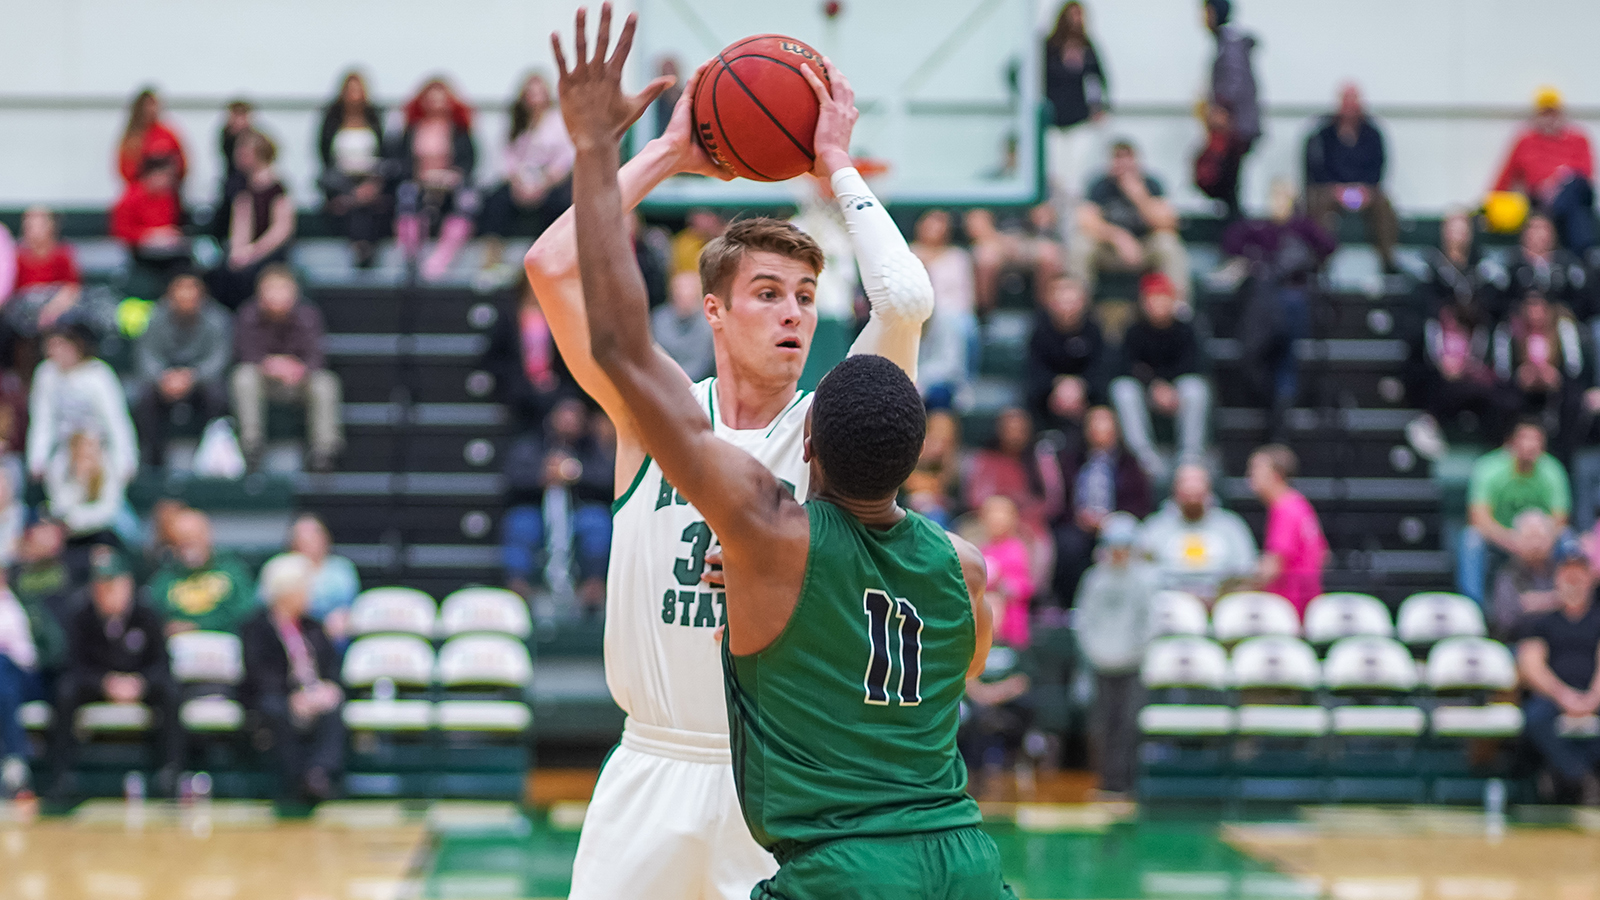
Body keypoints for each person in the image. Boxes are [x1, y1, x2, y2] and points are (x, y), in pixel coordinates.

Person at [553, 12, 1012, 895]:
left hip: (786, 775)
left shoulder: (832, 429)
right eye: (769, 293)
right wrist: (672, 152)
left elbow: (903, 299)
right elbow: (556, 269)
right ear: (714, 309)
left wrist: (597, 150)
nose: (796, 312)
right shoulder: (667, 418)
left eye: (808, 294)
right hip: (656, 759)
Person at [50, 548, 183, 800]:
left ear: (128, 585)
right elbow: (74, 664)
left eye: (114, 585)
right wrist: (105, 683)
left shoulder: (147, 615)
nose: (107, 592)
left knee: (171, 692)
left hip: (139, 683)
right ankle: (62, 777)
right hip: (98, 684)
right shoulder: (81, 616)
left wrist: (139, 684)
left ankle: (171, 772)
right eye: (101, 586)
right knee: (65, 690)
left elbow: (162, 664)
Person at [1223, 181, 1337, 441]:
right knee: (1256, 351)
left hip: (1292, 303)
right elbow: (1231, 243)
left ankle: (1280, 411)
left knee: (1285, 349)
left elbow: (1328, 245)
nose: (1279, 201)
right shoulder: (1259, 227)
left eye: (1285, 195)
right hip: (1262, 306)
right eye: (1275, 195)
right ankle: (1274, 400)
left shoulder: (1302, 227)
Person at [1405, 210, 1518, 459]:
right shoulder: (1430, 269)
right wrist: (1444, 358)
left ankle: (1501, 447)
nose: (1458, 234)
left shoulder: (1484, 271)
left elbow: (1492, 312)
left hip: (1476, 353)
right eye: (1453, 228)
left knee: (1502, 394)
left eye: (1463, 228)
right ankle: (1429, 420)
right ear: (1444, 233)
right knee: (1440, 379)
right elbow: (1424, 317)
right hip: (1438, 356)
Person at [240, 552, 345, 802]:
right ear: (285, 592)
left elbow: (331, 666)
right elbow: (256, 673)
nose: (309, 594)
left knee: (333, 706)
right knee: (278, 710)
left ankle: (318, 773)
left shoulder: (313, 626)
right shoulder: (256, 628)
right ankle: (296, 778)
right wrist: (294, 696)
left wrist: (327, 688)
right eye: (304, 588)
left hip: (311, 693)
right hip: (273, 695)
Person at [500, 396, 614, 611]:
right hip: (537, 510)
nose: (569, 421)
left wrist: (577, 474)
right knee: (520, 524)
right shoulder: (532, 444)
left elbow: (608, 480)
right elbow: (512, 479)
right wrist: (541, 476)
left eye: (575, 415)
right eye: (564, 414)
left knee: (597, 522)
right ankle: (518, 591)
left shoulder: (591, 447)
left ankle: (593, 590)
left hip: (578, 510)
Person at [1073, 511, 1157, 798]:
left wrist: (1136, 651)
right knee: (1102, 725)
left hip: (1132, 663)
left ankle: (1126, 784)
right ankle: (1105, 782)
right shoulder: (1094, 579)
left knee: (1128, 725)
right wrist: (1095, 652)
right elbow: (1084, 620)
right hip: (1100, 662)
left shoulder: (1145, 580)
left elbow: (1150, 621)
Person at [230, 266, 344, 472]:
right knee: (243, 376)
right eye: (271, 289)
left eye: (283, 289)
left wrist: (297, 369)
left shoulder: (309, 315)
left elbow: (317, 357)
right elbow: (244, 354)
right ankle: (251, 447)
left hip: (298, 382)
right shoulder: (247, 314)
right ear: (260, 293)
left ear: (294, 293)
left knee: (325, 382)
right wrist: (270, 365)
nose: (277, 295)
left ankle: (324, 452)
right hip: (264, 382)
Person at [1515, 541, 1600, 805]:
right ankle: (1580, 777)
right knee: (1534, 718)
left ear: (1590, 579)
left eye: (1579, 572)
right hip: (1552, 698)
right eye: (1566, 572)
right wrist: (1564, 697)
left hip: (1593, 696)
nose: (1573, 579)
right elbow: (1531, 665)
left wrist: (1591, 699)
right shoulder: (1540, 622)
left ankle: (1567, 776)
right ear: (1557, 578)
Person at [1044, 405, 1152, 608]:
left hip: (1117, 523)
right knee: (1068, 545)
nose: (1101, 430)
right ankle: (1070, 605)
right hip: (1079, 524)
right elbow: (1060, 499)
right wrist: (1081, 517)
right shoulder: (1072, 460)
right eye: (1095, 424)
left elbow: (1140, 504)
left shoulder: (1130, 464)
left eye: (1106, 424)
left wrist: (1110, 519)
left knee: (1121, 536)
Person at [1459, 420, 1572, 608]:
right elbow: (1479, 519)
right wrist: (1514, 541)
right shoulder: (1489, 468)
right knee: (1471, 539)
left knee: (1569, 540)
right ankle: (1474, 609)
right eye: (1524, 439)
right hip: (1501, 539)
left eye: (1535, 440)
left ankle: (1572, 607)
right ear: (1510, 443)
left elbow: (1560, 519)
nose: (1530, 445)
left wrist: (1539, 541)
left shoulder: (1553, 470)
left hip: (1542, 540)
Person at [1110, 272, 1208, 480]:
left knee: (1195, 389)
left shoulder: (1186, 329)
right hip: (1147, 393)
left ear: (1172, 300)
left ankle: (1190, 458)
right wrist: (1153, 385)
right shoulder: (1133, 331)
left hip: (1176, 394)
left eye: (1162, 298)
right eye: (1151, 299)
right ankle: (1143, 458)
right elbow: (1125, 366)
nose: (1157, 304)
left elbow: (1194, 365)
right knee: (1123, 390)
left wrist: (1168, 387)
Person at [132, 270, 232, 468]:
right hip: (164, 381)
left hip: (200, 382)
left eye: (191, 289)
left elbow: (219, 358)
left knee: (217, 395)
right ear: (169, 294)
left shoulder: (217, 318)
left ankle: (210, 457)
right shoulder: (155, 316)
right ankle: (152, 460)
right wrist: (163, 377)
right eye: (181, 289)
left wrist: (192, 377)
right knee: (144, 397)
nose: (186, 295)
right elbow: (146, 355)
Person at [1071, 140, 1190, 303]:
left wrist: (1139, 197)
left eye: (1128, 157)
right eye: (1117, 158)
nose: (1123, 164)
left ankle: (1178, 306)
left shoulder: (1152, 184)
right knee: (1081, 244)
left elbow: (1168, 223)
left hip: (1145, 248)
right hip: (1110, 251)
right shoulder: (1099, 185)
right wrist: (1118, 237)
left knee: (1168, 243)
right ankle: (1076, 305)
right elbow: (1085, 221)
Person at [480, 72, 576, 270]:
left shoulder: (559, 121)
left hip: (550, 180)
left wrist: (545, 182)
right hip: (521, 180)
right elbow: (507, 157)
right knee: (495, 200)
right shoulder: (517, 123)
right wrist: (517, 181)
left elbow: (565, 158)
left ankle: (553, 258)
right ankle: (492, 257)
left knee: (562, 202)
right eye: (530, 93)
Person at [26, 319, 138, 485]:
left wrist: (126, 461)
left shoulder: (99, 374)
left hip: (98, 448)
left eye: (61, 345)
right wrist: (37, 459)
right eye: (51, 346)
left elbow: (116, 420)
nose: (55, 352)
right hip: (63, 449)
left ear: (77, 345)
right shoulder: (46, 374)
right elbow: (42, 419)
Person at [1304, 84, 1399, 273]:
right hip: (1331, 190)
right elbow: (1315, 168)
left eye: (1354, 100)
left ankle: (1388, 261)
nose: (1350, 106)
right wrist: (1335, 189)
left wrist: (1366, 189)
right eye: (1346, 100)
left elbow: (1379, 166)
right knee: (1318, 204)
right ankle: (1319, 263)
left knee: (1385, 205)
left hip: (1365, 191)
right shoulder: (1323, 134)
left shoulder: (1372, 134)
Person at [1491, 86, 1596, 254]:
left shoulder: (1579, 139)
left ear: (1562, 115)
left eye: (1553, 113)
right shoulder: (1525, 141)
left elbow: (1586, 175)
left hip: (1572, 195)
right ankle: (1586, 255)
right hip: (1541, 202)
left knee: (1573, 189)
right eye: (1544, 114)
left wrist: (1558, 182)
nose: (1549, 119)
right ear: (1536, 116)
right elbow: (1504, 178)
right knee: (1577, 215)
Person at [393, 78, 480, 280]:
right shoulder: (413, 130)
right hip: (419, 184)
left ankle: (441, 259)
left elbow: (469, 162)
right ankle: (411, 257)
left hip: (451, 185)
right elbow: (402, 162)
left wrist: (452, 176)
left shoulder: (459, 131)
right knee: (406, 195)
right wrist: (421, 177)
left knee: (468, 200)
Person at [1137, 462, 1258, 604]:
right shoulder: (1155, 528)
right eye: (1187, 495)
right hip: (1168, 603)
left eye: (1197, 495)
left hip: (1222, 603)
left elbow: (1246, 570)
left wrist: (1219, 594)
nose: (1192, 500)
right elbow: (1141, 571)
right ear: (1175, 492)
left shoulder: (1231, 527)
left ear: (1209, 492)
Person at [1492, 291, 1589, 459]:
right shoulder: (1510, 329)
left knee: (1573, 402)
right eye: (1530, 307)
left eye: (1539, 307)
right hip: (1522, 387)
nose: (1534, 313)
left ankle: (1564, 455)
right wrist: (1520, 376)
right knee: (1504, 401)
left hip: (1556, 386)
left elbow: (1574, 368)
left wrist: (1555, 377)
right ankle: (1510, 450)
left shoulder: (1563, 328)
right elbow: (1502, 371)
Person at [210, 130, 296, 309]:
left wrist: (253, 252)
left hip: (270, 251)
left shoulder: (278, 187)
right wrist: (238, 251)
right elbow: (240, 223)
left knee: (250, 276)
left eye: (243, 153)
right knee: (222, 273)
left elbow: (281, 231)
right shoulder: (241, 185)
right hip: (248, 250)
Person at [317, 71, 389, 268]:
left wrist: (372, 185)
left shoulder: (375, 117)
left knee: (367, 206)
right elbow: (324, 157)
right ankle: (361, 248)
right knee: (352, 205)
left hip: (369, 180)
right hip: (341, 182)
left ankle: (362, 248)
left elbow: (384, 153)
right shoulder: (331, 119)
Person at [481, 277, 573, 431]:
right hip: (519, 393)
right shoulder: (509, 317)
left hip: (553, 390)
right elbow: (494, 358)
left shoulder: (559, 314)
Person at [1247, 444, 1328, 617]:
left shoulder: (1284, 509)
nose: (1250, 475)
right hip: (1305, 606)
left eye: (1257, 469)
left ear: (1276, 475)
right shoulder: (1300, 504)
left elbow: (1273, 567)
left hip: (1287, 610)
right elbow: (1323, 555)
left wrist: (1238, 587)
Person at [1042, 1, 1110, 206]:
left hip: (1079, 119)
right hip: (1053, 120)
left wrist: (1099, 107)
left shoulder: (1087, 47)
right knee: (1055, 175)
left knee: (1075, 178)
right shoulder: (1048, 48)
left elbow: (1099, 79)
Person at [148, 508, 257, 635]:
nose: (187, 544)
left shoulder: (231, 570)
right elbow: (157, 617)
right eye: (181, 539)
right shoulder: (164, 579)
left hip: (226, 641)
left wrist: (199, 626)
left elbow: (246, 612)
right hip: (179, 646)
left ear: (207, 535)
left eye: (193, 537)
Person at [1198, 0, 1260, 221]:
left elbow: (1234, 80)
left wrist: (1222, 107)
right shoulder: (1227, 42)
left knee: (1227, 185)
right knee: (1229, 188)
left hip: (1235, 129)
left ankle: (1234, 237)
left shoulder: (1230, 43)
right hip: (1239, 126)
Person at [1026, 273, 1109, 433]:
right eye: (1062, 301)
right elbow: (1034, 370)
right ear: (1051, 303)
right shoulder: (1039, 331)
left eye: (1072, 302)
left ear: (1083, 302)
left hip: (1088, 398)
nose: (1067, 308)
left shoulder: (1094, 330)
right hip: (1047, 400)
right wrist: (1057, 385)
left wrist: (1080, 386)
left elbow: (1102, 369)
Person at [4, 207, 82, 367]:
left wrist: (51, 311)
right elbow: (11, 291)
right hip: (23, 316)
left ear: (50, 227)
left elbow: (71, 289)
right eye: (28, 225)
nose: (31, 230)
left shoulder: (62, 254)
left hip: (56, 311)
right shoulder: (16, 255)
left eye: (37, 224)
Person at [45, 432, 128, 571]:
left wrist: (77, 519)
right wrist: (79, 479)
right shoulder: (60, 468)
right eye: (82, 453)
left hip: (101, 534)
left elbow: (109, 512)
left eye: (91, 452)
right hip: (71, 538)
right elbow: (60, 509)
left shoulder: (109, 468)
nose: (87, 458)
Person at [910, 209, 978, 373]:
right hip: (916, 310)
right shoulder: (907, 252)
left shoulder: (958, 256)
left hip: (952, 314)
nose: (935, 228)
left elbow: (967, 296)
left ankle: (960, 382)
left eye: (940, 223)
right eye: (930, 222)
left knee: (960, 325)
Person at [964, 206, 1062, 315]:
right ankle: (984, 315)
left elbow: (1045, 223)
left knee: (1049, 254)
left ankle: (1045, 313)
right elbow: (977, 223)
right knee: (985, 257)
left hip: (1029, 240)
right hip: (993, 241)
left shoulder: (1033, 193)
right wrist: (1002, 241)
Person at [110, 156, 190, 284]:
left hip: (167, 249)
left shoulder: (169, 197)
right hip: (139, 250)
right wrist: (150, 235)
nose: (169, 181)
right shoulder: (130, 198)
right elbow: (121, 231)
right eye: (165, 175)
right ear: (152, 175)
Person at [285, 514, 360, 644]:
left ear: (324, 539)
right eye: (303, 538)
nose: (308, 542)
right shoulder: (281, 568)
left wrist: (341, 618)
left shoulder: (341, 569)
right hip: (293, 631)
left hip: (334, 634)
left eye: (314, 537)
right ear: (293, 543)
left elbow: (351, 605)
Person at [1489, 510, 1562, 640]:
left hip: (1560, 642)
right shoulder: (1507, 573)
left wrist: (1533, 603)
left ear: (1552, 539)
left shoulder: (1562, 570)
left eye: (1540, 537)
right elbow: (1505, 619)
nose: (1535, 544)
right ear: (1517, 541)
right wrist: (1555, 600)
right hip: (1518, 642)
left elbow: (1578, 607)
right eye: (1530, 537)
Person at [0, 583, 41, 797]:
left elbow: (26, 657)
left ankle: (15, 759)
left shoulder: (11, 606)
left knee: (1, 663)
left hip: (23, 676)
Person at [979, 495, 1034, 650]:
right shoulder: (982, 549)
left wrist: (1001, 583)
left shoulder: (1017, 550)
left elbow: (1025, 587)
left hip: (1011, 632)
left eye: (1002, 514)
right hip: (986, 630)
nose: (997, 520)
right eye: (992, 514)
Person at [116, 88, 187, 187]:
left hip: (166, 190)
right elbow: (126, 169)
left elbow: (182, 164)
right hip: (139, 190)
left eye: (153, 105)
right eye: (147, 105)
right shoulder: (132, 138)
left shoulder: (167, 134)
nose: (151, 109)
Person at [652, 271, 715, 382]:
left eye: (690, 296)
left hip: (696, 386)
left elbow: (702, 366)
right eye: (680, 295)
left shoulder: (708, 326)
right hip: (662, 384)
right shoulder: (658, 320)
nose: (684, 301)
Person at [904, 410, 961, 528]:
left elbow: (949, 488)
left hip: (945, 512)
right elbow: (909, 484)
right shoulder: (912, 455)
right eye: (936, 434)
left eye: (946, 435)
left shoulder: (956, 461)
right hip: (910, 508)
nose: (940, 441)